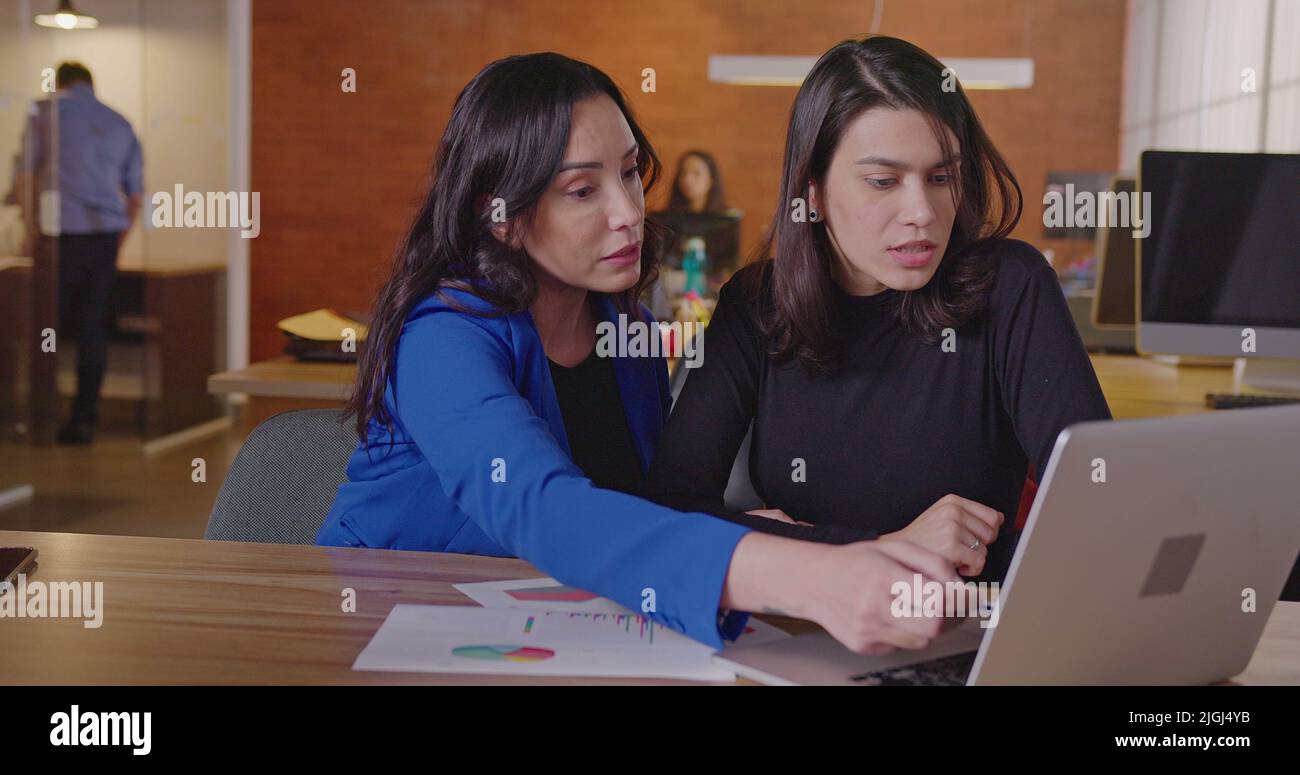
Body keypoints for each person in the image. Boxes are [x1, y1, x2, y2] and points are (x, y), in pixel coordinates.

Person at [315, 52, 958, 654]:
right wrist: (803, 574)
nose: (629, 212)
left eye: (628, 173)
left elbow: (642, 509)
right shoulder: (441, 334)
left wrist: (786, 539)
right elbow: (547, 507)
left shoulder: (624, 325)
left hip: (547, 631)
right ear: (503, 215)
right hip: (373, 627)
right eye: (582, 191)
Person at [646, 36, 1114, 585]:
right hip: (798, 629)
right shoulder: (755, 304)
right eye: (883, 181)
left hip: (953, 629)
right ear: (813, 191)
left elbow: (1099, 510)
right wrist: (887, 549)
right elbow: (667, 513)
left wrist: (776, 540)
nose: (922, 212)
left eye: (941, 177)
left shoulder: (1011, 286)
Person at [15, 61, 143, 444]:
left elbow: (24, 178)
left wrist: (29, 229)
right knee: (91, 328)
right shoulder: (119, 122)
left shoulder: (43, 111)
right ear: (90, 83)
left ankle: (37, 415)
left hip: (58, 236)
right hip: (103, 237)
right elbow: (135, 198)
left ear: (61, 83)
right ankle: (84, 420)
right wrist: (116, 242)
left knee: (44, 328)